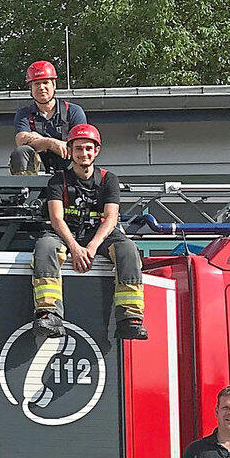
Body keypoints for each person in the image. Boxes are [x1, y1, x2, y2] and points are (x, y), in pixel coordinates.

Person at [31, 123, 147, 341]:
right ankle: (49, 314)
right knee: (45, 246)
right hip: (66, 233)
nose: (83, 153)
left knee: (128, 249)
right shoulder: (58, 181)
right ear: (70, 150)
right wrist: (75, 248)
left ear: (96, 151)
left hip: (98, 235)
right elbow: (56, 218)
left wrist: (92, 246)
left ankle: (129, 318)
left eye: (88, 148)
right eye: (78, 148)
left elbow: (111, 218)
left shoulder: (108, 179)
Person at [9, 60, 87, 175]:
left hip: (70, 172)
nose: (41, 87)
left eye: (45, 82)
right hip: (37, 171)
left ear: (54, 85)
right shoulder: (24, 114)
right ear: (30, 88)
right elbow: (21, 141)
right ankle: (26, 187)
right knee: (21, 152)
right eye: (36, 83)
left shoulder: (73, 111)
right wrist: (50, 143)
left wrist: (37, 140)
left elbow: (81, 145)